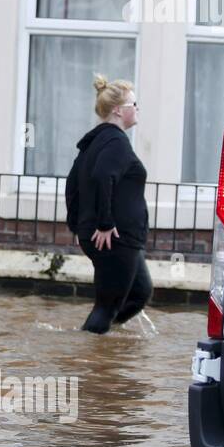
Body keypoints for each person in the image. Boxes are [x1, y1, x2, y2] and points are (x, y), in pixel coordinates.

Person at [65, 74, 153, 334]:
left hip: (120, 238)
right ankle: (91, 355)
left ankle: (104, 341)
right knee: (107, 306)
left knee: (139, 293)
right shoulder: (115, 141)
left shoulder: (97, 141)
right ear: (118, 110)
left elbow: (73, 182)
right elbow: (103, 176)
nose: (137, 109)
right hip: (113, 237)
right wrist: (103, 223)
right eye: (133, 105)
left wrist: (79, 224)